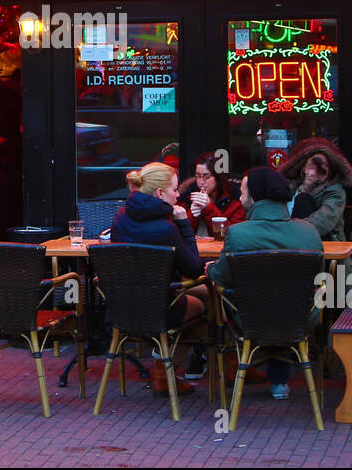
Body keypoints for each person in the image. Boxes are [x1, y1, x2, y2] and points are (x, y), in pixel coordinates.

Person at [206, 166, 322, 399]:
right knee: (282, 299)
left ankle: (214, 367)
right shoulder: (309, 232)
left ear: (256, 197)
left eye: (243, 191)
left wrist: (211, 270)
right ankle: (279, 380)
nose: (240, 197)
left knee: (250, 300)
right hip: (300, 319)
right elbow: (316, 278)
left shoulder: (238, 234)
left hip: (249, 319)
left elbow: (220, 278)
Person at [109, 162, 206, 398]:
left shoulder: (120, 217)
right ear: (160, 193)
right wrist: (184, 224)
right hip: (160, 308)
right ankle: (167, 368)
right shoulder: (166, 227)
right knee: (206, 305)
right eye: (175, 190)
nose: (179, 194)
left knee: (204, 294)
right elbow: (194, 269)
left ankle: (166, 370)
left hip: (123, 308)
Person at [279, 138, 352, 244]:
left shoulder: (335, 191)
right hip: (291, 245)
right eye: (311, 167)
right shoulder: (292, 186)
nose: (313, 173)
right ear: (304, 167)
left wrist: (284, 232)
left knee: (303, 199)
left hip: (326, 250)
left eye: (320, 169)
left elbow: (322, 222)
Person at [178, 151, 246, 238]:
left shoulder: (234, 200)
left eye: (207, 177)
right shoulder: (186, 196)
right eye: (198, 176)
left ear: (218, 177)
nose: (201, 182)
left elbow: (231, 236)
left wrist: (208, 208)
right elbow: (180, 234)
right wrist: (193, 213)